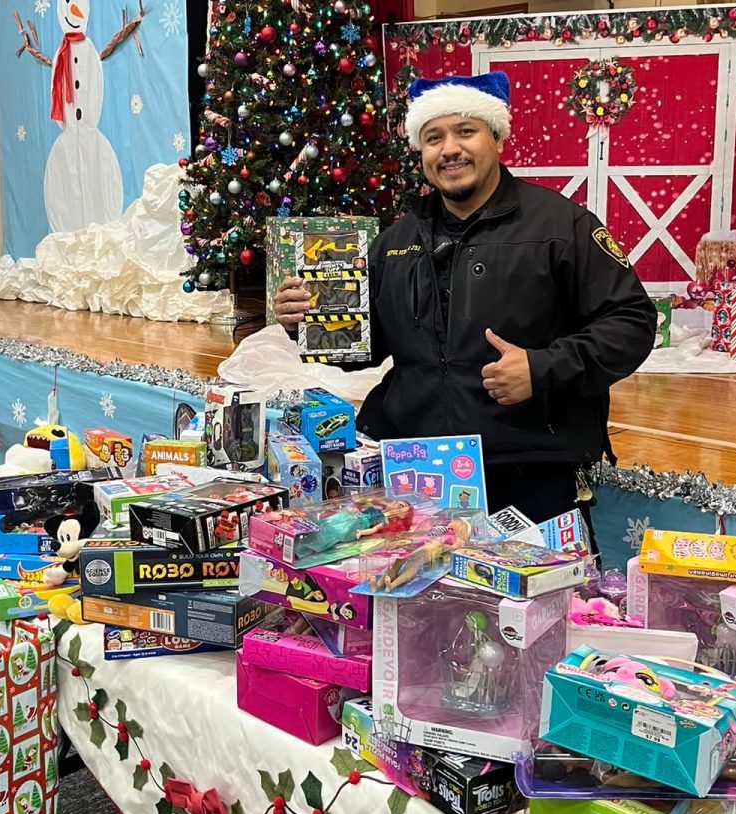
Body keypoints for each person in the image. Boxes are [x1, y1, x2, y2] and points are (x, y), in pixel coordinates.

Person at [274, 71, 656, 521]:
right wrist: (306, 320)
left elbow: (632, 321)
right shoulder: (394, 242)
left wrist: (541, 368)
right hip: (411, 468)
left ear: (497, 139)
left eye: (466, 131)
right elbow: (366, 345)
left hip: (530, 469)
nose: (450, 149)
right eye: (433, 137)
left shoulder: (561, 227)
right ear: (421, 152)